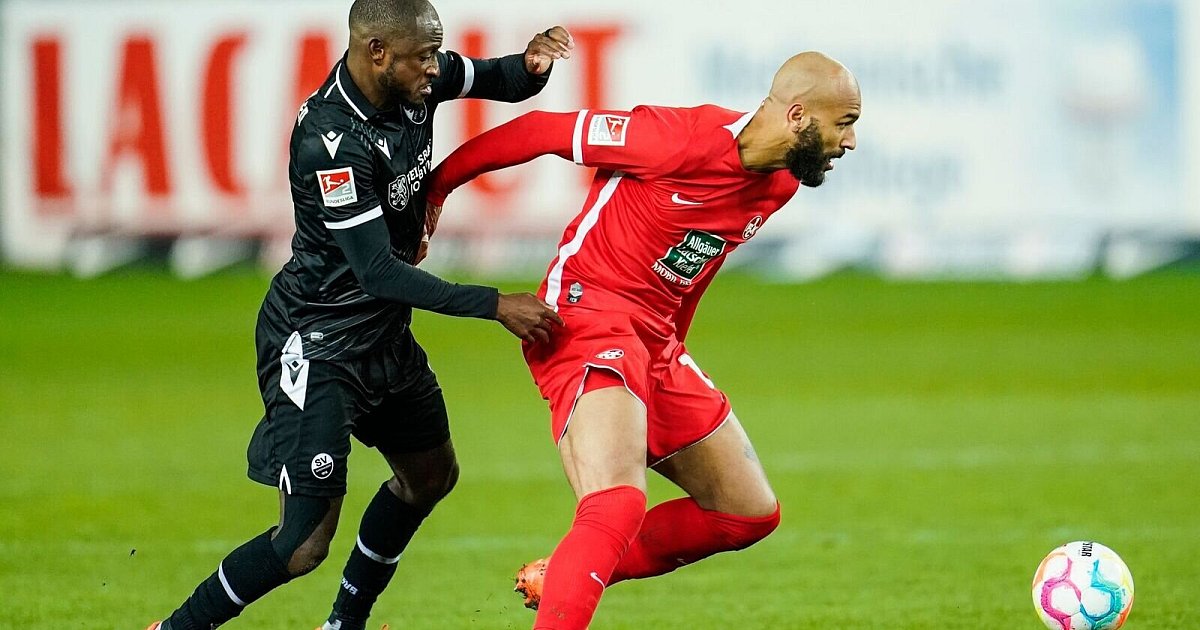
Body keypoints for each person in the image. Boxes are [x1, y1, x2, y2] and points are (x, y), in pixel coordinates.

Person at [146, 1, 571, 629]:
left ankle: (343, 624)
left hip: (382, 337)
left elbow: (494, 77)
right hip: (318, 344)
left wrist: (531, 67)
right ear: (377, 52)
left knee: (430, 475)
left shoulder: (415, 78)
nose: (436, 67)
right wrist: (493, 304)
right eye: (424, 56)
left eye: (436, 53)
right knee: (302, 544)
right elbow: (377, 272)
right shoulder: (330, 139)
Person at [424, 51, 860, 629]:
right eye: (844, 123)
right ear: (799, 115)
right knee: (617, 502)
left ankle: (569, 573)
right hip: (585, 316)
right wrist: (435, 192)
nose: (850, 141)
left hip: (654, 341)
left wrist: (671, 348)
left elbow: (696, 264)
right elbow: (540, 131)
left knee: (746, 513)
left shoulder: (780, 183)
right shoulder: (677, 139)